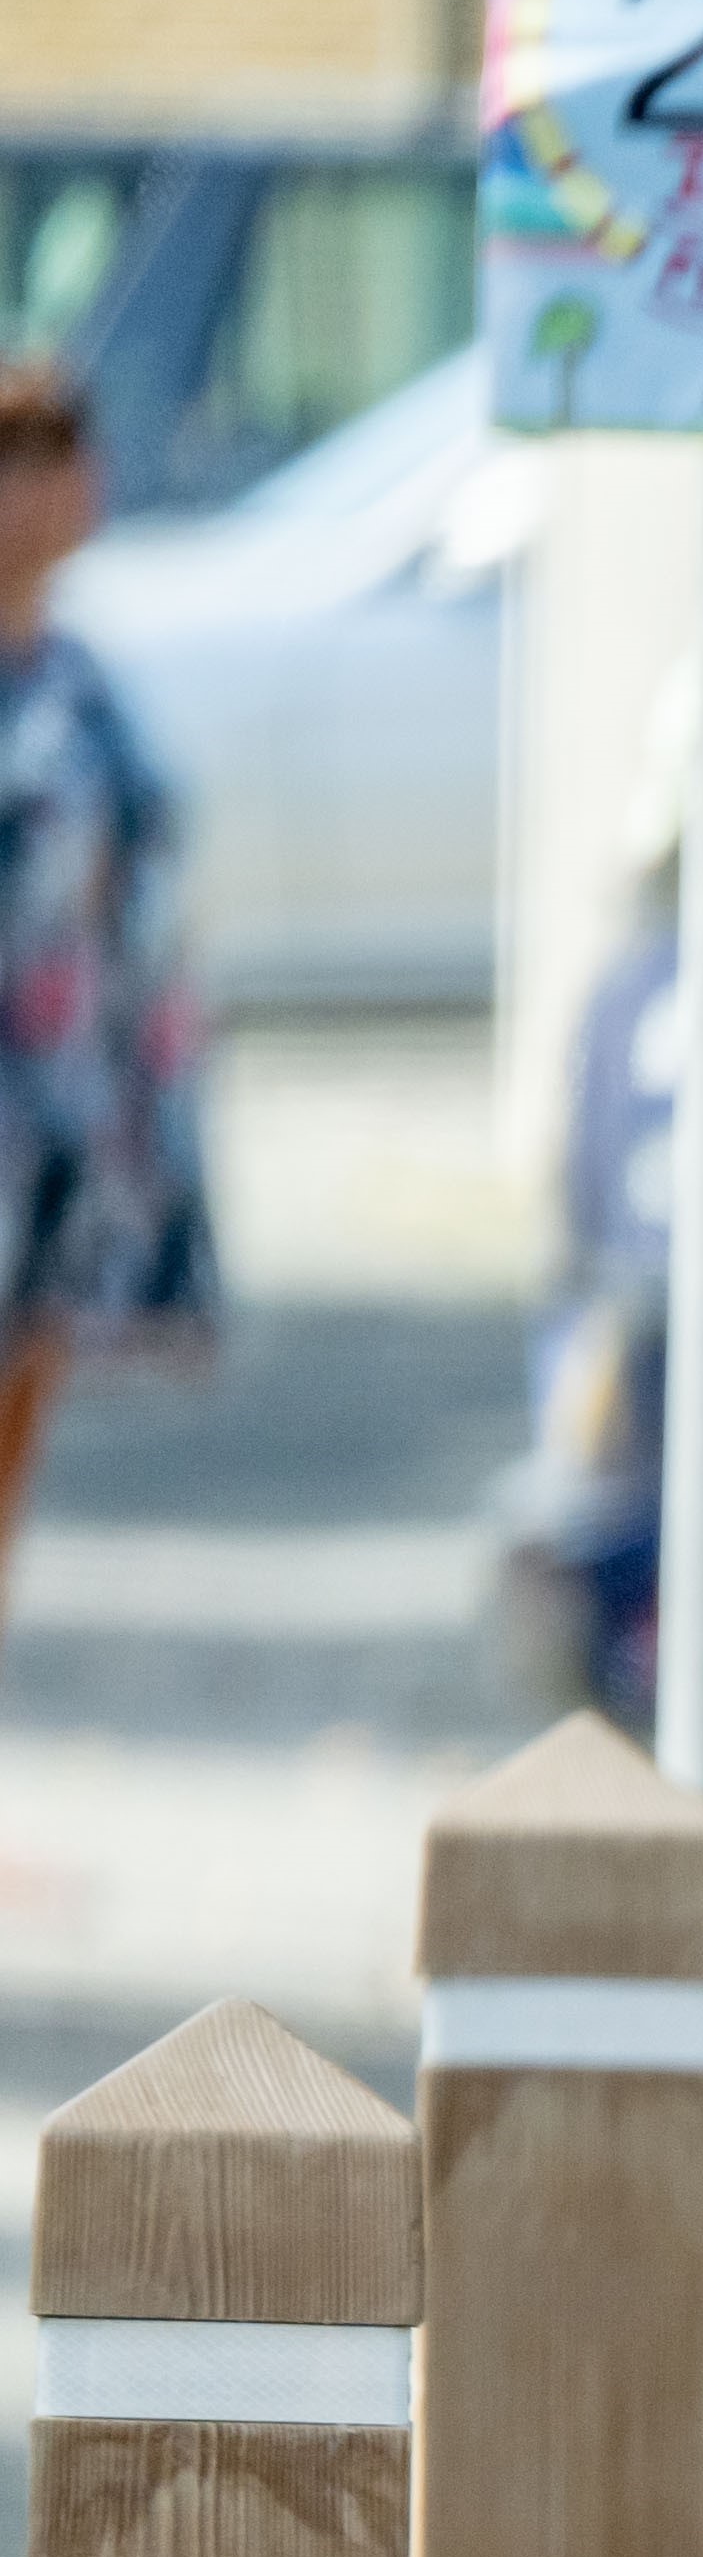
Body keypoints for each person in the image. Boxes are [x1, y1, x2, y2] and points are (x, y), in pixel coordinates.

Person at [0, 353, 212, 1635]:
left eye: (60, 454)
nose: (43, 490)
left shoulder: (84, 681)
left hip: (64, 1127)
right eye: (16, 458)